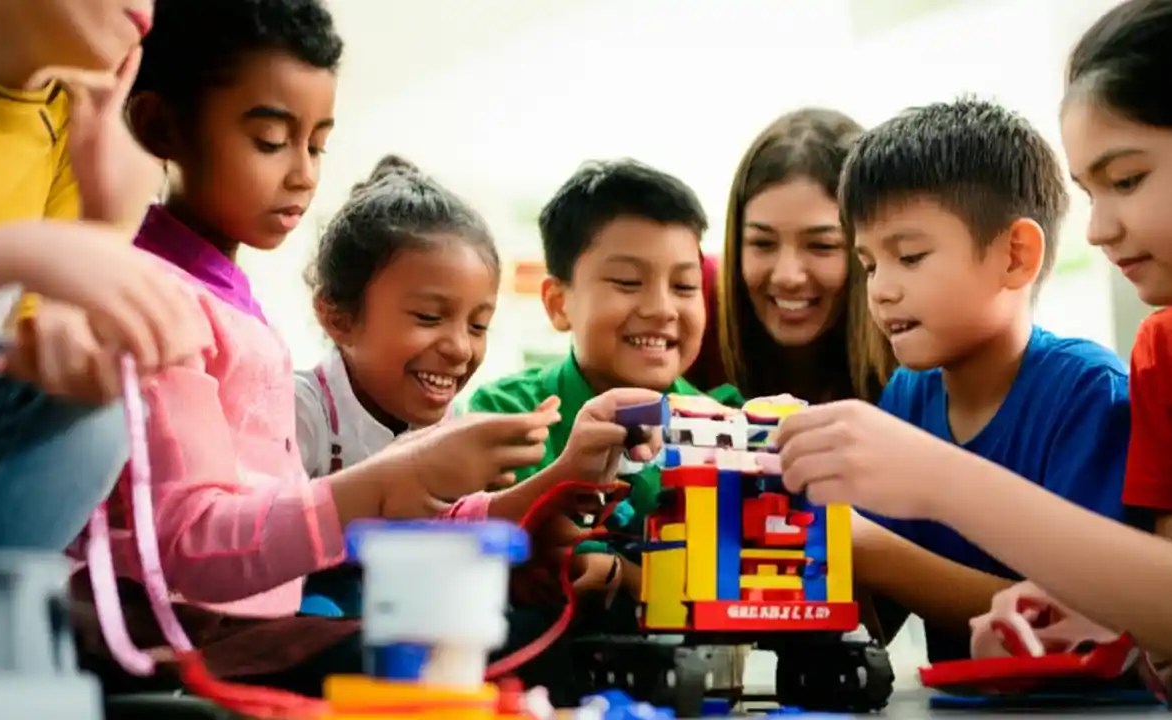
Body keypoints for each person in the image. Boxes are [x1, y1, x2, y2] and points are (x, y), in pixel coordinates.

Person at [69, 0, 560, 697]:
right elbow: (189, 545)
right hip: (175, 635)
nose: (302, 172)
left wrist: (553, 473)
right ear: (158, 126)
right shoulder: (156, 300)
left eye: (317, 144)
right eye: (271, 141)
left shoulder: (221, 297)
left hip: (239, 627)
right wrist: (387, 480)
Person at [777, 0, 1172, 693]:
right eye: (1090, 191)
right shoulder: (1164, 350)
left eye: (1127, 180)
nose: (1097, 230)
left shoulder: (1088, 388)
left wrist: (934, 479)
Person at [817, 97, 1135, 663]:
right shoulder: (907, 399)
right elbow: (874, 625)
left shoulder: (1088, 396)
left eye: (909, 256)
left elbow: (1083, 622)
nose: (881, 289)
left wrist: (861, 545)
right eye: (868, 265)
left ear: (1016, 256)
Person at [295, 155, 659, 616]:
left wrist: (565, 479)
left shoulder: (452, 425)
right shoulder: (298, 415)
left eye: (478, 325)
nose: (459, 349)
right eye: (429, 317)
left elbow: (458, 526)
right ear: (338, 316)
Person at [466, 159, 742, 703]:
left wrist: (621, 573)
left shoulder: (722, 425)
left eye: (684, 285)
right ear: (557, 302)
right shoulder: (507, 414)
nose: (662, 308)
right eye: (627, 283)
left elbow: (728, 587)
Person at [0, 0, 205, 550]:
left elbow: (28, 361)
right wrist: (17, 253)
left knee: (93, 423)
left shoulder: (74, 133)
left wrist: (102, 222)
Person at [692, 108, 894, 403]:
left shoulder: (919, 342)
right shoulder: (692, 299)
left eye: (822, 246)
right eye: (762, 243)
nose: (788, 276)